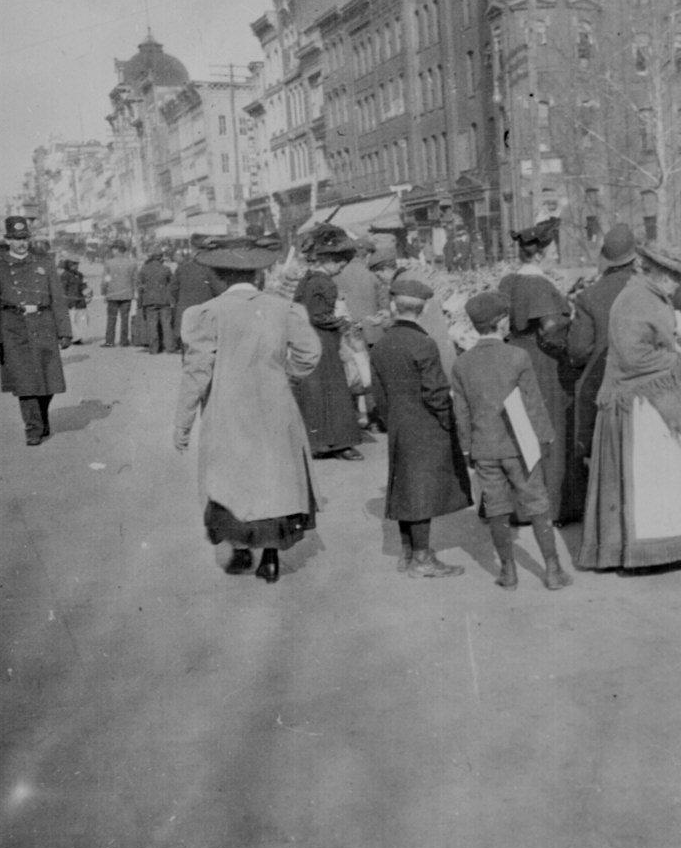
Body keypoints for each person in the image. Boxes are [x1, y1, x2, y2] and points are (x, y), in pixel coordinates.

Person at [173, 235, 321, 585]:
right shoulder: (283, 309)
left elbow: (196, 373)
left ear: (216, 277)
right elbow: (309, 355)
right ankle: (270, 558)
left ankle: (240, 548)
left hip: (228, 409)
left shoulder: (207, 314)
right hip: (274, 406)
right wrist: (287, 376)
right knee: (274, 476)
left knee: (230, 477)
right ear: (259, 276)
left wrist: (182, 423)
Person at [578, 243, 681, 572]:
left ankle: (668, 547)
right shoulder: (637, 298)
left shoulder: (648, 295)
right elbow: (632, 355)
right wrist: (676, 358)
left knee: (660, 479)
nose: (678, 283)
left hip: (648, 398)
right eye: (675, 276)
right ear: (661, 274)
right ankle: (648, 553)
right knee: (649, 481)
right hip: (639, 403)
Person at [451, 291, 574, 591]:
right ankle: (553, 569)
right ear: (502, 322)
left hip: (485, 448)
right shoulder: (518, 357)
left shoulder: (462, 364)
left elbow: (461, 411)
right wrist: (544, 438)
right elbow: (532, 403)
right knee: (537, 502)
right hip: (520, 447)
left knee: (495, 507)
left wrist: (467, 447)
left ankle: (508, 571)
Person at [368, 276, 471, 578]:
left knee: (404, 487)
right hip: (426, 425)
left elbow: (379, 395)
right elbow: (436, 392)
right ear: (424, 309)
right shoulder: (424, 343)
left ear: (392, 306)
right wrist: (447, 422)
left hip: (400, 424)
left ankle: (408, 553)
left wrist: (393, 420)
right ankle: (423, 559)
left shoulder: (381, 344)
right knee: (422, 492)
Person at [498, 218, 581, 522]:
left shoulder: (509, 282)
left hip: (513, 358)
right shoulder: (540, 286)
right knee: (550, 429)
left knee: (520, 429)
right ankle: (552, 505)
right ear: (543, 251)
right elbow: (551, 331)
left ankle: (517, 504)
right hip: (542, 364)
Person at [0, 216, 73, 445]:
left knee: (48, 380)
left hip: (43, 325)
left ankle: (41, 417)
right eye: (16, 239)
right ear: (7, 240)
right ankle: (32, 428)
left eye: (24, 238)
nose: (22, 243)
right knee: (25, 382)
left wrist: (65, 331)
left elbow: (58, 299)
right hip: (14, 328)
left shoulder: (45, 264)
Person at [566, 224, 640, 510]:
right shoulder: (648, 289)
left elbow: (577, 351)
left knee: (606, 458)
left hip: (603, 385)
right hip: (645, 386)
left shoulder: (590, 296)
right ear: (634, 257)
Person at [291, 224, 365, 460]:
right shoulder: (325, 283)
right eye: (341, 263)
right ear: (331, 260)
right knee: (334, 391)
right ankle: (338, 442)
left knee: (314, 393)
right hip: (324, 342)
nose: (342, 268)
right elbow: (320, 316)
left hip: (307, 340)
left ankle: (316, 442)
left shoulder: (308, 279)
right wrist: (343, 323)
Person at [169, 237, 223, 353]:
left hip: (185, 312)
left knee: (187, 347)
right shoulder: (211, 269)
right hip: (205, 312)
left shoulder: (181, 268)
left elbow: (173, 290)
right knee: (206, 347)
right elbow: (218, 291)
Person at [136, 249, 176, 353]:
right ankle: (170, 347)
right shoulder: (166, 269)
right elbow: (172, 284)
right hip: (164, 300)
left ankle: (154, 348)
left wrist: (140, 301)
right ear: (161, 258)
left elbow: (139, 286)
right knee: (166, 324)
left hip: (149, 300)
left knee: (152, 324)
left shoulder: (144, 269)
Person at [101, 241, 136, 347]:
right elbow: (135, 279)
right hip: (126, 294)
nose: (112, 251)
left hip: (112, 294)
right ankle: (124, 340)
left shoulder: (109, 263)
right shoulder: (131, 263)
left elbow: (105, 280)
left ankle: (109, 341)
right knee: (125, 318)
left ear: (116, 249)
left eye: (113, 249)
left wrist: (104, 292)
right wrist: (134, 292)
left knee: (111, 318)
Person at [58, 258, 90, 344]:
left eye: (77, 264)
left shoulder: (80, 275)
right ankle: (75, 338)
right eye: (73, 264)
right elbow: (63, 289)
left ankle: (79, 337)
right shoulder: (64, 275)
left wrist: (88, 294)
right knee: (72, 321)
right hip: (70, 302)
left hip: (80, 301)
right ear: (68, 265)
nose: (76, 266)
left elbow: (84, 286)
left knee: (82, 320)